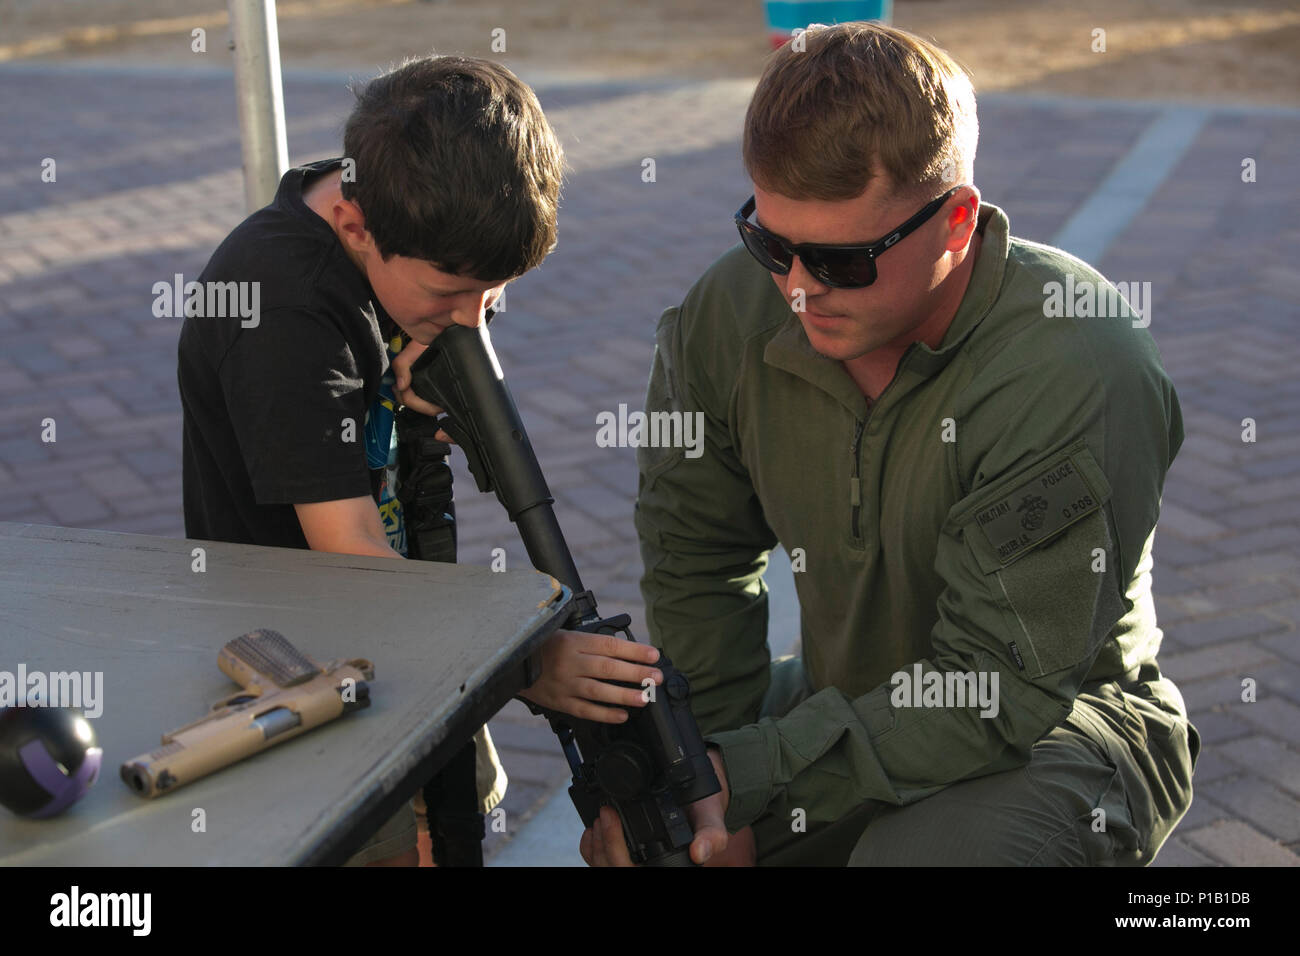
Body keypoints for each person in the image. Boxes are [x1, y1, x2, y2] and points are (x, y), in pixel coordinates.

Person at [580, 21, 1199, 866]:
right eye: (768, 243)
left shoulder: (1076, 363)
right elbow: (697, 567)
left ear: (955, 223)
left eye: (841, 261)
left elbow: (999, 687)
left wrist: (754, 776)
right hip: (857, 695)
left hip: (1063, 723)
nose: (796, 289)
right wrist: (702, 795)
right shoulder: (727, 315)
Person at [178, 55, 662, 866]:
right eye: (452, 296)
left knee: (457, 815)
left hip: (412, 644)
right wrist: (525, 664)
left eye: (495, 296)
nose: (472, 323)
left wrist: (413, 360)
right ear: (357, 227)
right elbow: (353, 562)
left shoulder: (411, 214)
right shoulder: (284, 308)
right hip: (303, 673)